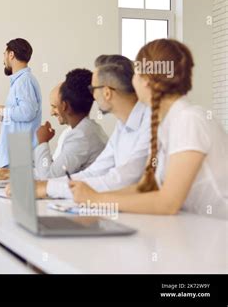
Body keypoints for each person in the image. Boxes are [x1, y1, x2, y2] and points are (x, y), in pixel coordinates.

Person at [68, 39, 227, 219]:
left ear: (146, 81)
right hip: (198, 229)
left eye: (135, 74)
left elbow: (167, 203)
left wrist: (96, 200)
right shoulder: (166, 124)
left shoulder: (189, 120)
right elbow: (145, 189)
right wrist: (92, 198)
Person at [26, 54, 151, 198]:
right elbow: (95, 172)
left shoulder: (147, 123)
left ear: (107, 92)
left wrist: (48, 187)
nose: (92, 96)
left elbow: (120, 180)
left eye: (93, 89)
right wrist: (46, 186)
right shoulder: (122, 126)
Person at [0, 38, 42, 179]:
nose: (3, 59)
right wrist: (3, 112)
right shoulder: (22, 81)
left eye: (4, 54)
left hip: (16, 159)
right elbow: (24, 112)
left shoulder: (24, 80)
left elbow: (27, 112)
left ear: (11, 55)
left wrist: (2, 110)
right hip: (15, 157)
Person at [34, 68, 107, 179]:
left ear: (64, 106)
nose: (51, 112)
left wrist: (42, 142)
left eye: (54, 106)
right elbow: (55, 170)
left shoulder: (80, 136)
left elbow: (48, 178)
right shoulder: (91, 130)